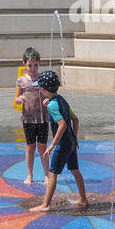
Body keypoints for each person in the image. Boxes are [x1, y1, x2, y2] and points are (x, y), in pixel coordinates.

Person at [28, 70, 88, 213]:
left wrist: (53, 144)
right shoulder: (61, 100)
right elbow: (75, 120)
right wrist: (74, 138)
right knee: (75, 170)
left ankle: (46, 204)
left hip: (63, 144)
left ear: (43, 89)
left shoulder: (51, 105)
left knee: (52, 173)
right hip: (71, 141)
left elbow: (62, 125)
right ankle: (83, 199)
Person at [14, 47, 49, 184]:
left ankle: (46, 174)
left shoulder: (42, 79)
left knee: (42, 146)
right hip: (28, 119)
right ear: (24, 64)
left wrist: (48, 99)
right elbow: (17, 99)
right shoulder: (22, 81)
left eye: (35, 65)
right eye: (30, 65)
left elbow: (49, 94)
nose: (33, 68)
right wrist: (20, 99)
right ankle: (30, 175)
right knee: (30, 147)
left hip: (42, 118)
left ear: (39, 63)